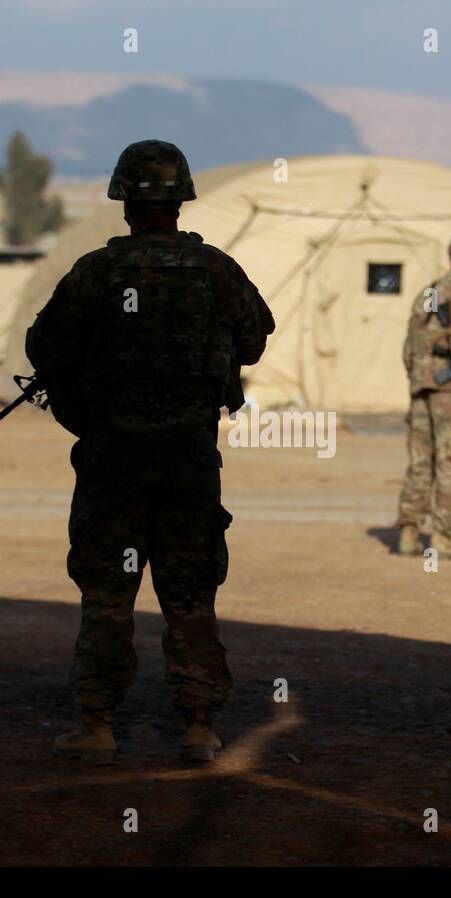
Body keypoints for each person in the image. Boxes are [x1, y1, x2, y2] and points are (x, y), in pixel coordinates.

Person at [25, 140, 274, 763]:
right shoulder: (216, 270)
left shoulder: (95, 272)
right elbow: (253, 338)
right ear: (181, 199)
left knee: (107, 592)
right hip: (187, 460)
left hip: (114, 461)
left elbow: (45, 345)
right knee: (189, 592)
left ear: (124, 202)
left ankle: (98, 724)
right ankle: (198, 727)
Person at [394, 233, 451, 560]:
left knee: (421, 462)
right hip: (450, 389)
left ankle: (408, 533)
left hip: (422, 387)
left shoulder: (429, 291)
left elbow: (411, 340)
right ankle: (442, 538)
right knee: (450, 461)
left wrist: (418, 375)